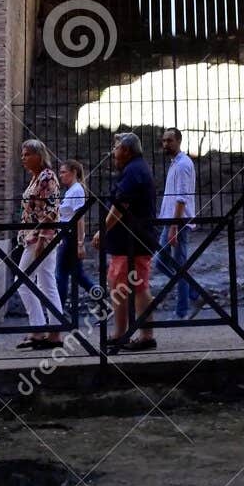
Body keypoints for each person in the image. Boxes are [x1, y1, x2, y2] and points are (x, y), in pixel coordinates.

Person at [93, 132, 157, 351]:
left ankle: (146, 336)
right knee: (119, 284)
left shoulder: (134, 171)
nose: (113, 152)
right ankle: (121, 333)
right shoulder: (134, 169)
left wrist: (103, 230)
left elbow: (121, 206)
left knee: (138, 285)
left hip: (135, 240)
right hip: (127, 241)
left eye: (116, 147)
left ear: (127, 150)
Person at [16, 138, 64, 350]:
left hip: (41, 238)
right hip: (32, 237)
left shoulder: (46, 177)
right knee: (40, 282)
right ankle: (44, 330)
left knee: (32, 281)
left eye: (27, 154)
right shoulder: (36, 178)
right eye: (23, 154)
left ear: (38, 155)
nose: (23, 158)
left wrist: (43, 239)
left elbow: (50, 211)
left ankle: (48, 331)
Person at [151, 127, 202, 319]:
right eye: (164, 141)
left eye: (169, 141)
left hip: (177, 222)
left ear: (179, 141)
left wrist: (174, 226)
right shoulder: (176, 163)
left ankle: (182, 311)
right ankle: (194, 293)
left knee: (179, 266)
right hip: (170, 220)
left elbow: (181, 198)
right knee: (162, 262)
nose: (165, 144)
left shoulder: (182, 165)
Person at [54, 158, 98, 327]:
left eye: (63, 172)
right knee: (78, 276)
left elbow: (79, 218)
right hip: (68, 236)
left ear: (73, 173)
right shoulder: (72, 190)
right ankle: (105, 305)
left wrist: (80, 242)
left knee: (61, 274)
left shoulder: (76, 190)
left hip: (70, 237)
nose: (61, 175)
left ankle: (58, 311)